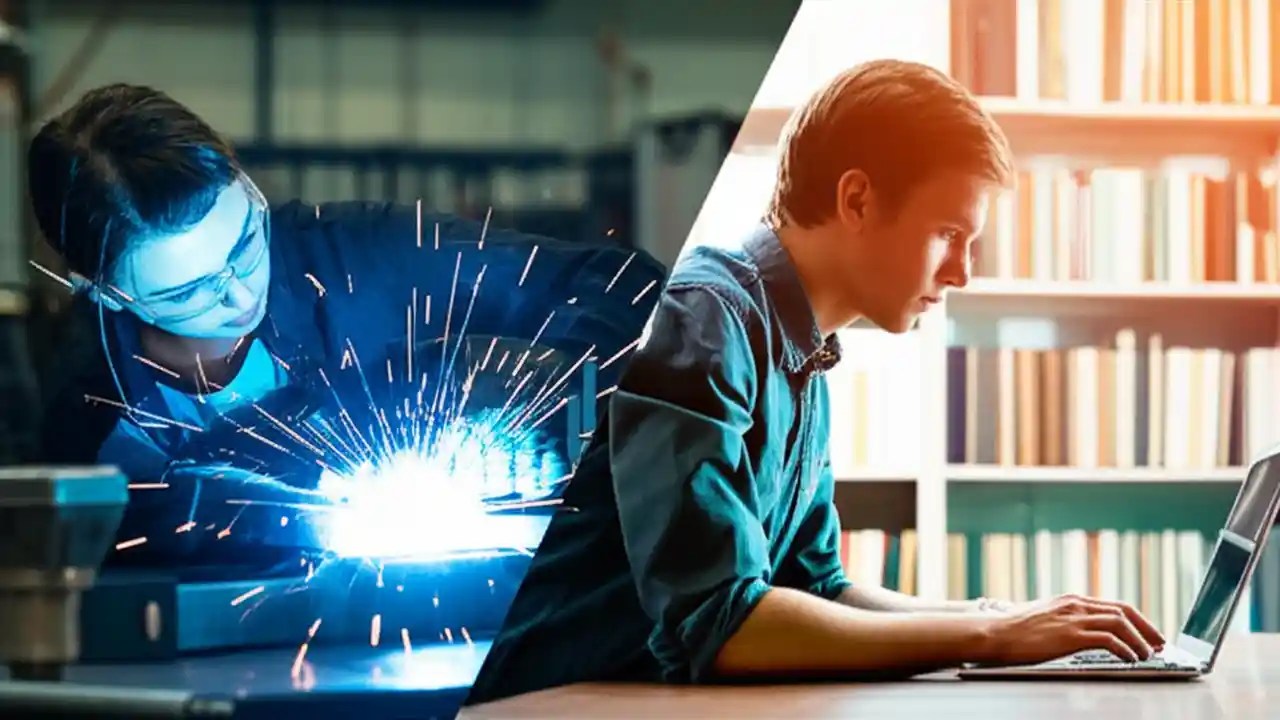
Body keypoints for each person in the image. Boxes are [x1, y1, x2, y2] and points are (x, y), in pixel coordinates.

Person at [465, 58, 1165, 705]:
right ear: (856, 199)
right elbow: (725, 623)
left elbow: (816, 589)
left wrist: (1002, 618)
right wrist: (988, 640)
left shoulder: (801, 348)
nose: (962, 273)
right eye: (949, 233)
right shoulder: (704, 319)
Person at [29, 83, 665, 563]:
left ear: (245, 182)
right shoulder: (83, 418)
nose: (239, 292)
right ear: (105, 293)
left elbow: (627, 287)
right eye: (190, 290)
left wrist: (556, 419)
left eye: (246, 241)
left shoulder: (360, 256)